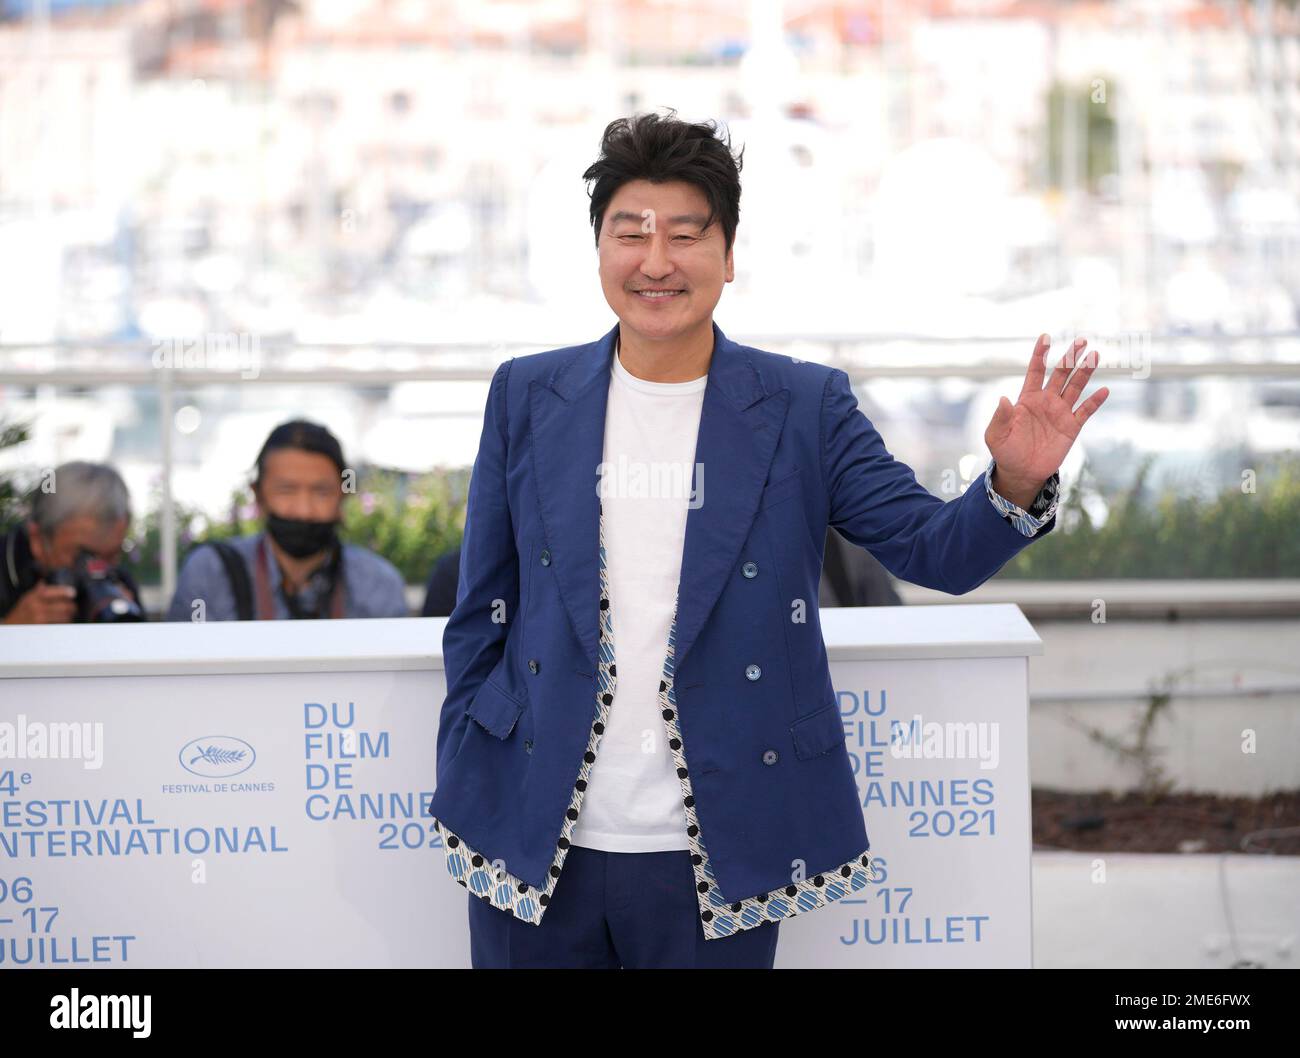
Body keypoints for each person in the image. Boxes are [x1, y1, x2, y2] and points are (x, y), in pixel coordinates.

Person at [427, 110, 1107, 969]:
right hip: (529, 836)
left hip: (723, 849)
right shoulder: (527, 394)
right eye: (629, 232)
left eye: (685, 234)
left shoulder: (802, 406)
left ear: (729, 254)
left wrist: (1013, 482)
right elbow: (482, 606)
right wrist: (468, 748)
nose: (657, 260)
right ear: (599, 249)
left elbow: (935, 549)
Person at [165, 420, 409, 621]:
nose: (304, 510)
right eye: (286, 490)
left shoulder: (378, 583)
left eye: (321, 492)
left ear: (343, 497)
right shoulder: (210, 574)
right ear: (258, 495)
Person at [1, 461, 143, 624]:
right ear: (38, 539)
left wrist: (126, 623)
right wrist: (11, 628)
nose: (99, 569)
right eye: (84, 556)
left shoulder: (119, 582)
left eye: (113, 555)